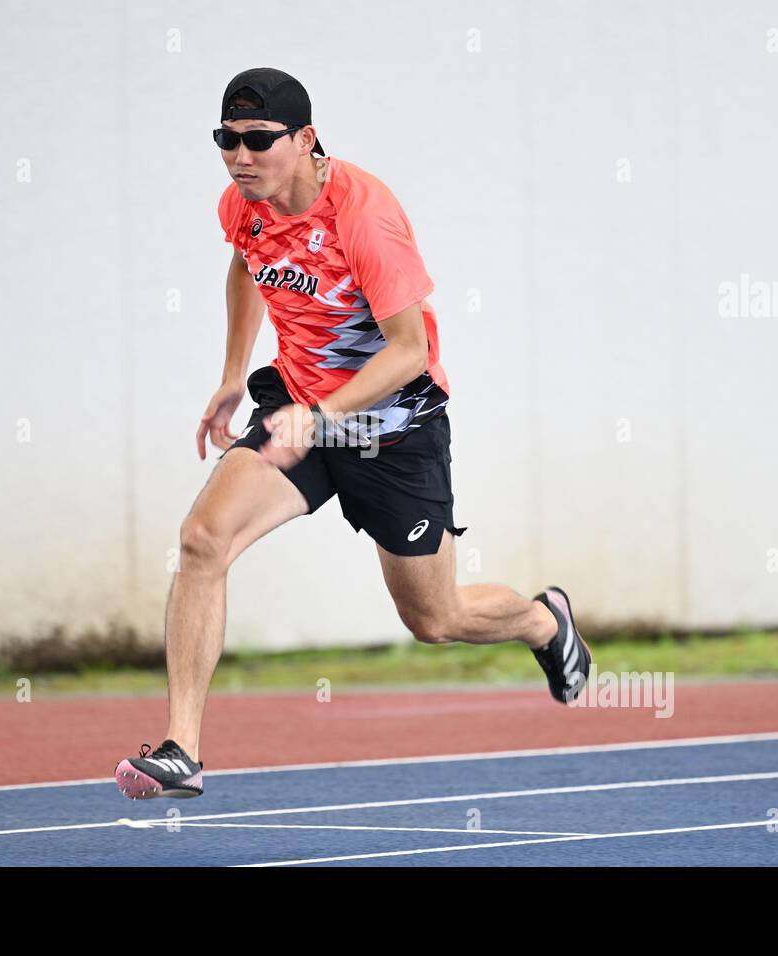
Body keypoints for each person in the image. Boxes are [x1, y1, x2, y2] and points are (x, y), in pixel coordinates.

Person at [115, 67, 591, 800]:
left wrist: (326, 416)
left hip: (393, 430)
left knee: (436, 618)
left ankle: (540, 621)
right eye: (226, 141)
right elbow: (247, 267)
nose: (240, 156)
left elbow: (410, 351)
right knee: (202, 540)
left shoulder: (363, 216)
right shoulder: (244, 206)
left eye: (258, 141)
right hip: (299, 413)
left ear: (305, 140)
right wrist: (233, 372)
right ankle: (183, 747)